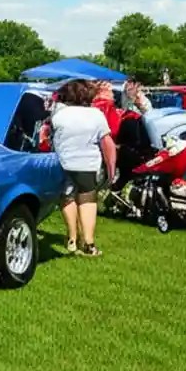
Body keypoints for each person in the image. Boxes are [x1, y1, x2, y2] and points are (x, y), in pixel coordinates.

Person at [51, 79, 117, 256]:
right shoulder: (96, 115)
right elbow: (107, 143)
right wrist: (111, 169)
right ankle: (88, 243)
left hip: (62, 162)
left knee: (67, 197)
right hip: (87, 164)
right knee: (87, 199)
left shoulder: (58, 114)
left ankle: (72, 238)